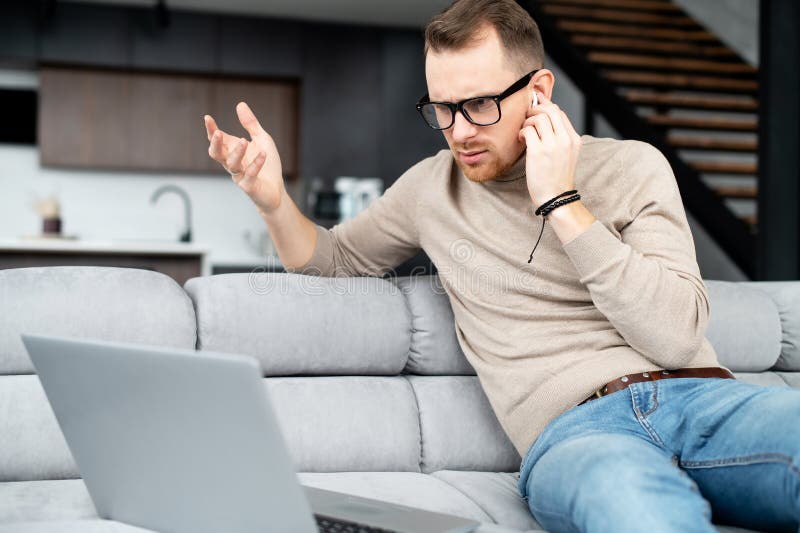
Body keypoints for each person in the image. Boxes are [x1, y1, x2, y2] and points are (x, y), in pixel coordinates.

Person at [203, 1, 800, 531]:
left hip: (705, 400)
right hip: (581, 435)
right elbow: (331, 261)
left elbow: (676, 336)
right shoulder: (431, 188)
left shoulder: (633, 166)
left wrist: (561, 201)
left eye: (480, 105)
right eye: (442, 108)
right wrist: (274, 202)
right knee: (637, 509)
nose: (459, 132)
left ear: (539, 92)